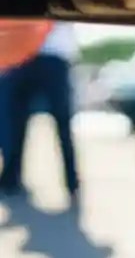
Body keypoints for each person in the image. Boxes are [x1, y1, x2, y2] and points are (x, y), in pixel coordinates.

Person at [0, 21, 80, 199]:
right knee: (13, 123)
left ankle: (72, 182)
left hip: (53, 55)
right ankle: (10, 179)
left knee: (63, 122)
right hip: (19, 56)